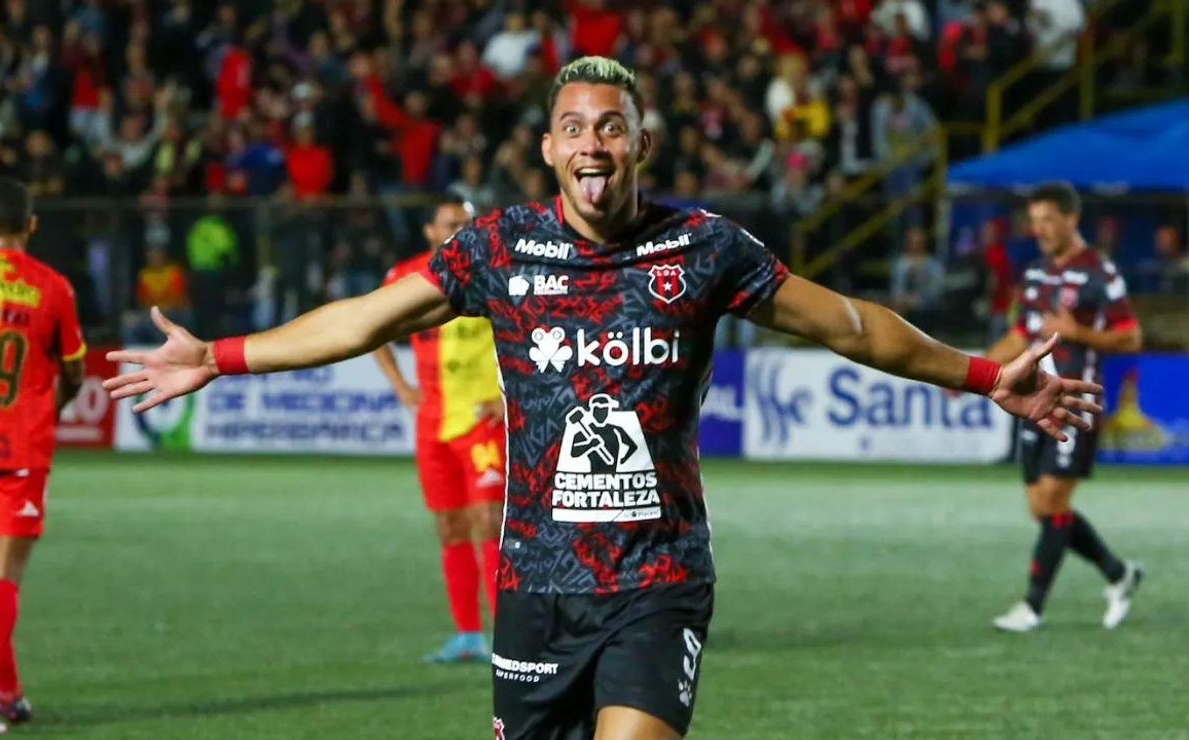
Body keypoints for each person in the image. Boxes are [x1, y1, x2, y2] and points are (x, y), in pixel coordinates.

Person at [105, 58, 1101, 740]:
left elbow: (851, 324)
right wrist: (221, 355)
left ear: (640, 145)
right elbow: (364, 318)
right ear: (548, 149)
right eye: (574, 127)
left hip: (656, 581)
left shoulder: (706, 249)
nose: (593, 142)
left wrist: (980, 373)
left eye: (611, 127)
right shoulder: (495, 248)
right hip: (535, 587)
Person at [984, 182, 1144, 634]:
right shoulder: (1034, 274)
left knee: (1054, 501)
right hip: (1033, 403)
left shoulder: (1101, 273)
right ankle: (1119, 574)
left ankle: (1032, 606)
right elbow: (1020, 337)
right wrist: (969, 370)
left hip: (1076, 402)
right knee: (1042, 509)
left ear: (1072, 219)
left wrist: (1079, 332)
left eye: (1048, 220)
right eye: (1034, 222)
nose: (1040, 230)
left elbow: (1131, 336)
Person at [373, 196, 505, 664]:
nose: (460, 230)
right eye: (451, 223)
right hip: (432, 423)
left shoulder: (495, 273)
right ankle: (468, 636)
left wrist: (508, 397)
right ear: (430, 230)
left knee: (489, 523)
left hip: (482, 421)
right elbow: (373, 329)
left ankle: (508, 638)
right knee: (450, 527)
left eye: (467, 223)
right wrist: (402, 387)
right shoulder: (404, 278)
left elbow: (534, 335)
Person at [0, 176, 86, 733]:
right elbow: (73, 372)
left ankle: (8, 692)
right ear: (31, 225)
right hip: (20, 445)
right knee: (2, 580)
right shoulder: (51, 287)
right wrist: (55, 406)